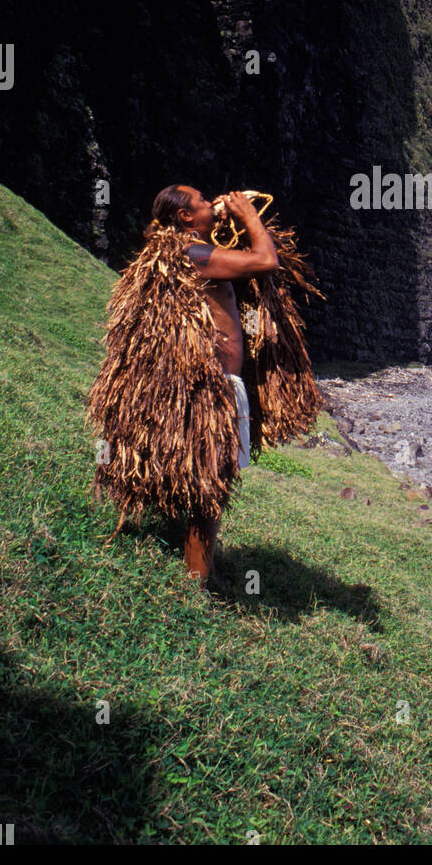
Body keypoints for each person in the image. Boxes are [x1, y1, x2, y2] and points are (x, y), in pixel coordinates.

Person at [151, 185, 280, 582]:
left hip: (219, 383)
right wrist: (248, 216)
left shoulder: (195, 251)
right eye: (204, 202)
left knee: (209, 484)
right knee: (210, 488)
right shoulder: (193, 254)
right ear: (185, 217)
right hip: (214, 387)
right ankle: (196, 584)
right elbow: (266, 260)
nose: (214, 203)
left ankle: (198, 568)